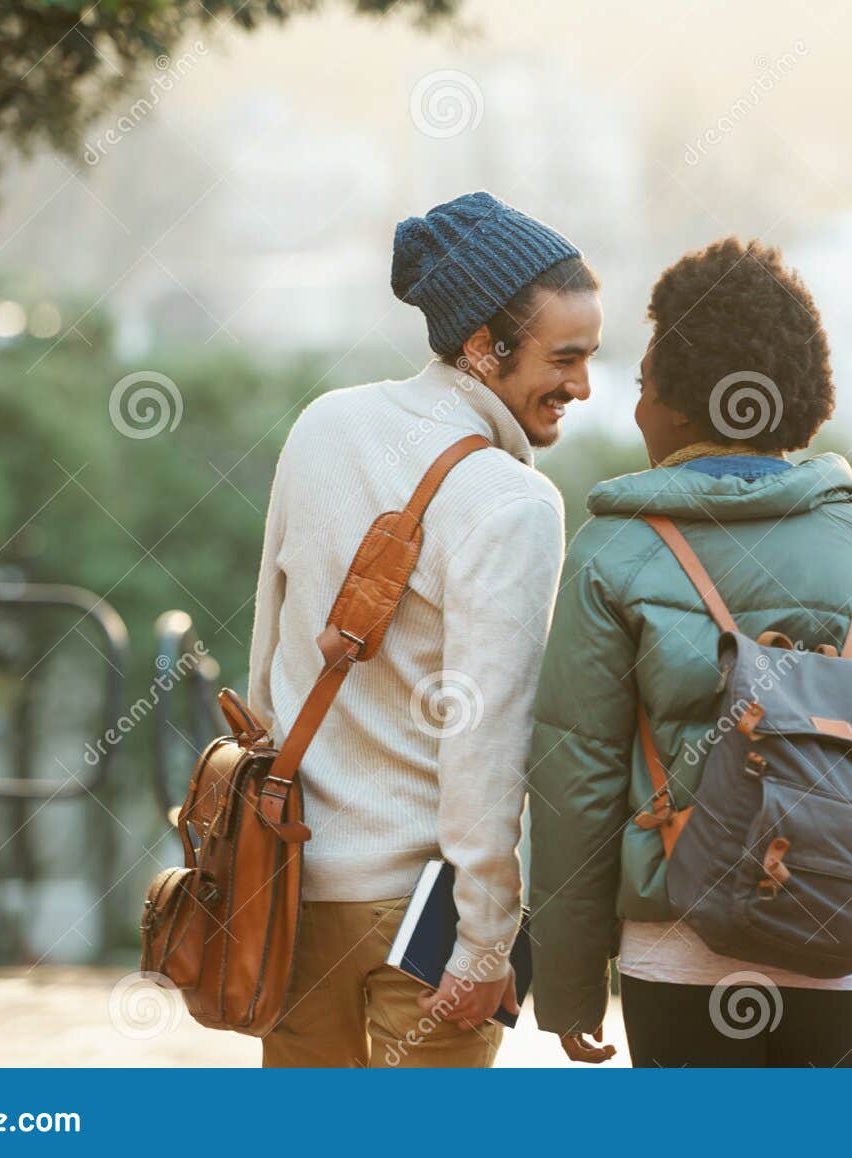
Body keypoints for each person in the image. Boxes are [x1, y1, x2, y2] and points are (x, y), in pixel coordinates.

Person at [526, 236, 852, 1067]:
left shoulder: (610, 555)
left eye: (643, 387)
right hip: (844, 949)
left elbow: (575, 790)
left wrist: (567, 984)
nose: (635, 411)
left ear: (679, 406)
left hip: (679, 956)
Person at [246, 191, 601, 1067]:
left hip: (291, 892)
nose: (582, 386)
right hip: (423, 922)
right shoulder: (514, 502)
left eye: (589, 358)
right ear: (483, 348)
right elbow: (487, 741)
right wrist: (485, 939)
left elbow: (267, 664)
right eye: (563, 359)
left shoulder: (323, 425)